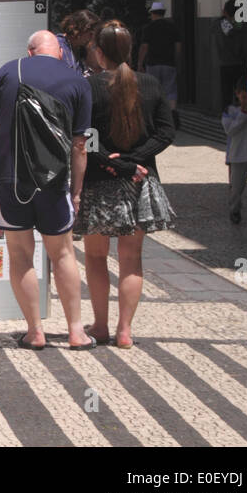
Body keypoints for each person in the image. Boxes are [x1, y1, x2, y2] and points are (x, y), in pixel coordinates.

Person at [0, 30, 94, 351]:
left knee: (20, 253)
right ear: (58, 53)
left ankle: (35, 331)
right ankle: (75, 332)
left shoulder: (7, 71)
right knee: (63, 253)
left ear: (30, 51)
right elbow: (80, 145)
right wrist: (77, 191)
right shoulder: (78, 82)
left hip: (9, 178)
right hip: (54, 181)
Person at [76, 21, 176, 349]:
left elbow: (84, 137)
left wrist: (115, 162)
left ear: (99, 53)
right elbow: (167, 131)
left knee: (95, 257)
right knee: (132, 259)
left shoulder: (88, 88)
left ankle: (102, 326)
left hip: (100, 182)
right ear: (130, 51)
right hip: (141, 182)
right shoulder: (149, 84)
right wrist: (137, 161)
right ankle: (125, 331)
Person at [223, 79, 247, 226]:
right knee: (236, 189)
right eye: (243, 96)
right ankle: (234, 209)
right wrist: (244, 113)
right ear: (237, 94)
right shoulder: (230, 111)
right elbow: (230, 130)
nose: (246, 100)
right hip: (237, 155)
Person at [137, 2, 180, 112]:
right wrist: (177, 60)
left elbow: (144, 47)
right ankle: (172, 112)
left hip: (152, 63)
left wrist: (140, 63)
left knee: (152, 89)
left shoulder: (148, 28)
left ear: (153, 14)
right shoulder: (172, 26)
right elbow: (178, 45)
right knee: (170, 90)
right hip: (169, 63)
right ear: (163, 13)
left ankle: (155, 113)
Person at [213, 0, 247, 107]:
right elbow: (246, 46)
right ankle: (242, 115)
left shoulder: (219, 24)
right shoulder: (242, 26)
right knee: (242, 92)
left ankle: (228, 117)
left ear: (225, 11)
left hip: (225, 63)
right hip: (240, 63)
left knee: (226, 94)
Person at [56, 9, 99, 76]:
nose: (92, 38)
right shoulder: (57, 45)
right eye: (90, 34)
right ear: (80, 30)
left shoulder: (80, 49)